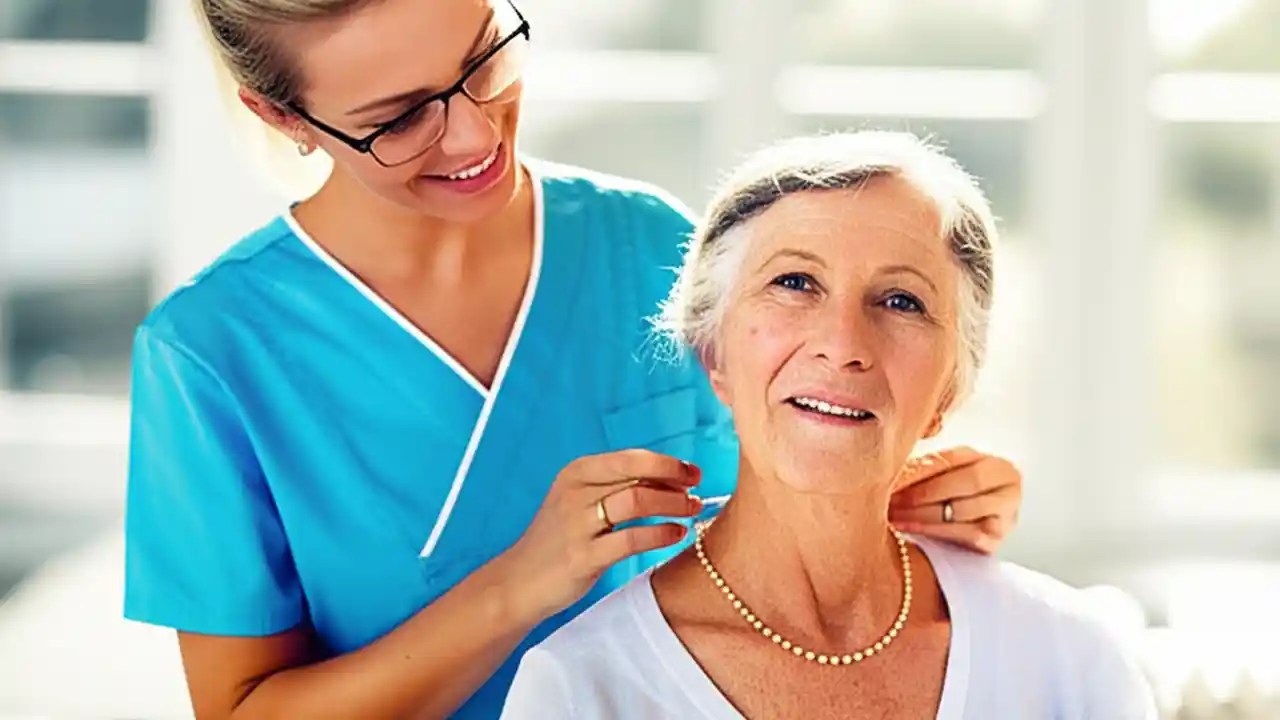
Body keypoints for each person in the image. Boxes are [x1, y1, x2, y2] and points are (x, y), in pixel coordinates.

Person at [122, 1, 1026, 718]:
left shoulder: (650, 245)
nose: (476, 136)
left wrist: (903, 492)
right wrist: (520, 583)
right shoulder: (210, 355)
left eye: (483, 59)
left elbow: (765, 527)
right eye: (398, 119)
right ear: (285, 116)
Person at [502, 131, 1158, 719]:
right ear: (713, 353)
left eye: (901, 301)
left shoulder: (1073, 664)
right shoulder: (582, 688)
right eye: (794, 283)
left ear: (949, 389)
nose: (843, 343)